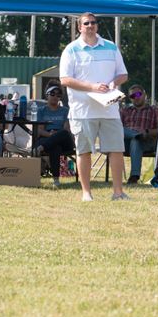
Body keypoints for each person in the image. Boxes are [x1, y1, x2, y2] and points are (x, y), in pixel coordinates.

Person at [59, 12, 130, 202]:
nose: (91, 26)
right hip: (83, 110)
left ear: (97, 26)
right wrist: (92, 87)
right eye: (86, 23)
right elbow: (65, 79)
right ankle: (86, 193)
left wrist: (115, 83)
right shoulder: (71, 50)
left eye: (94, 23)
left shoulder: (111, 47)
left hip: (110, 109)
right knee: (84, 151)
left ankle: (118, 192)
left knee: (116, 149)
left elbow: (123, 74)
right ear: (79, 27)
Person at [120, 85, 158, 184]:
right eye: (133, 96)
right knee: (121, 131)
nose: (136, 97)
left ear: (145, 95)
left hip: (146, 141)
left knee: (136, 140)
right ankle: (136, 134)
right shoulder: (125, 111)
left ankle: (134, 176)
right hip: (125, 142)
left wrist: (147, 132)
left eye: (138, 94)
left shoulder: (154, 110)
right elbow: (117, 128)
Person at [36, 83, 76, 186]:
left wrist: (54, 135)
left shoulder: (65, 110)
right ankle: (56, 180)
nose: (55, 97)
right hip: (47, 138)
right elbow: (39, 130)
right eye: (52, 94)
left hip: (64, 140)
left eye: (58, 95)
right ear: (47, 95)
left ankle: (40, 148)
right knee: (55, 147)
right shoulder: (41, 111)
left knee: (62, 133)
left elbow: (66, 129)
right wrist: (50, 135)